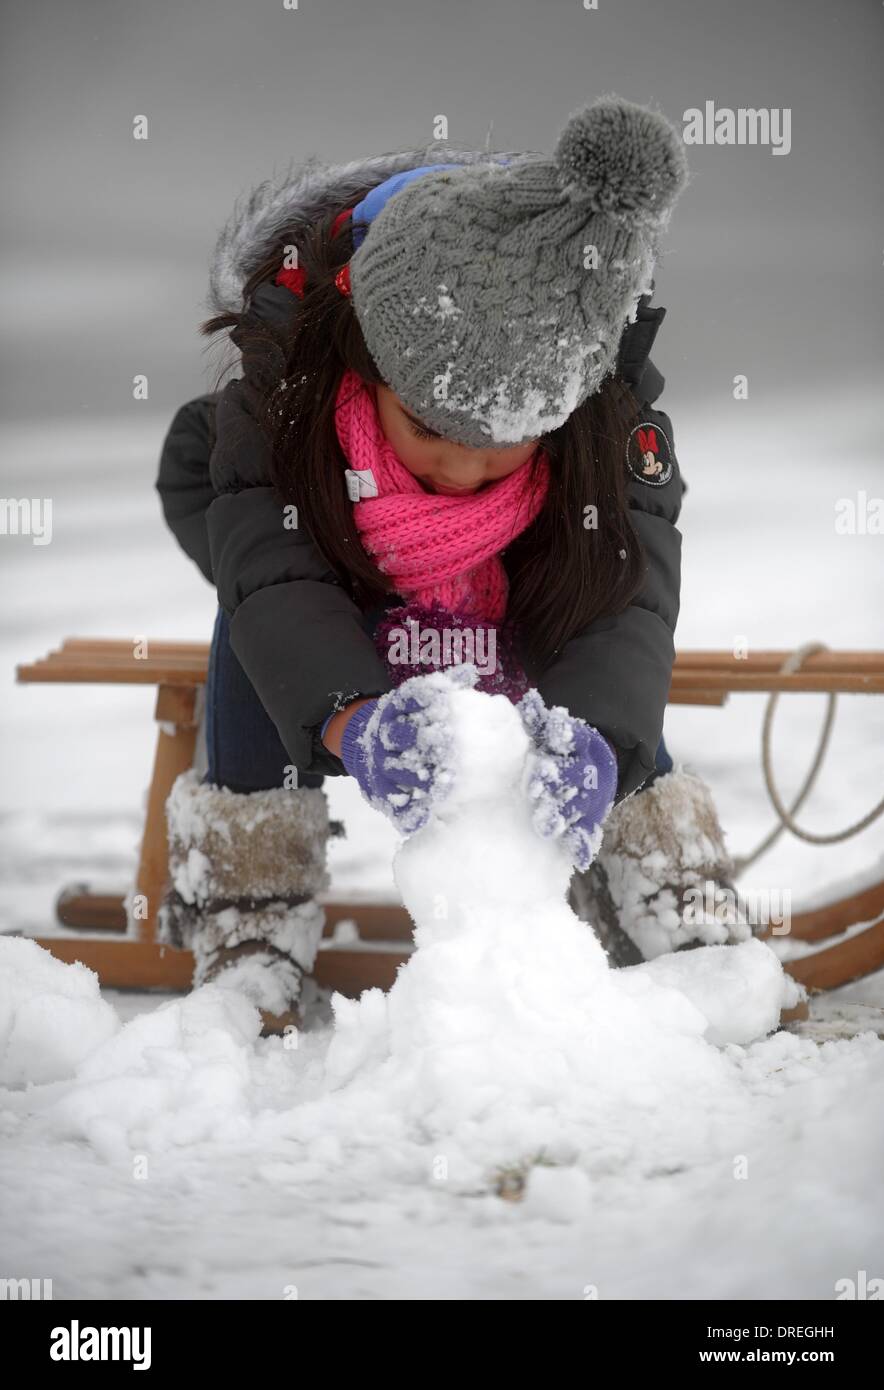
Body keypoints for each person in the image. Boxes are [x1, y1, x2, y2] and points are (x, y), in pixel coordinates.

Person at [155, 95, 749, 1035]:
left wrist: (599, 738)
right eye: (430, 430)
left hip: (512, 615)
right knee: (246, 646)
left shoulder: (607, 431)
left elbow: (622, 605)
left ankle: (673, 891)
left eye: (503, 447)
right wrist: (348, 718)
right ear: (367, 363)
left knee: (600, 696)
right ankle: (252, 924)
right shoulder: (282, 407)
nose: (463, 469)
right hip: (342, 613)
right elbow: (276, 583)